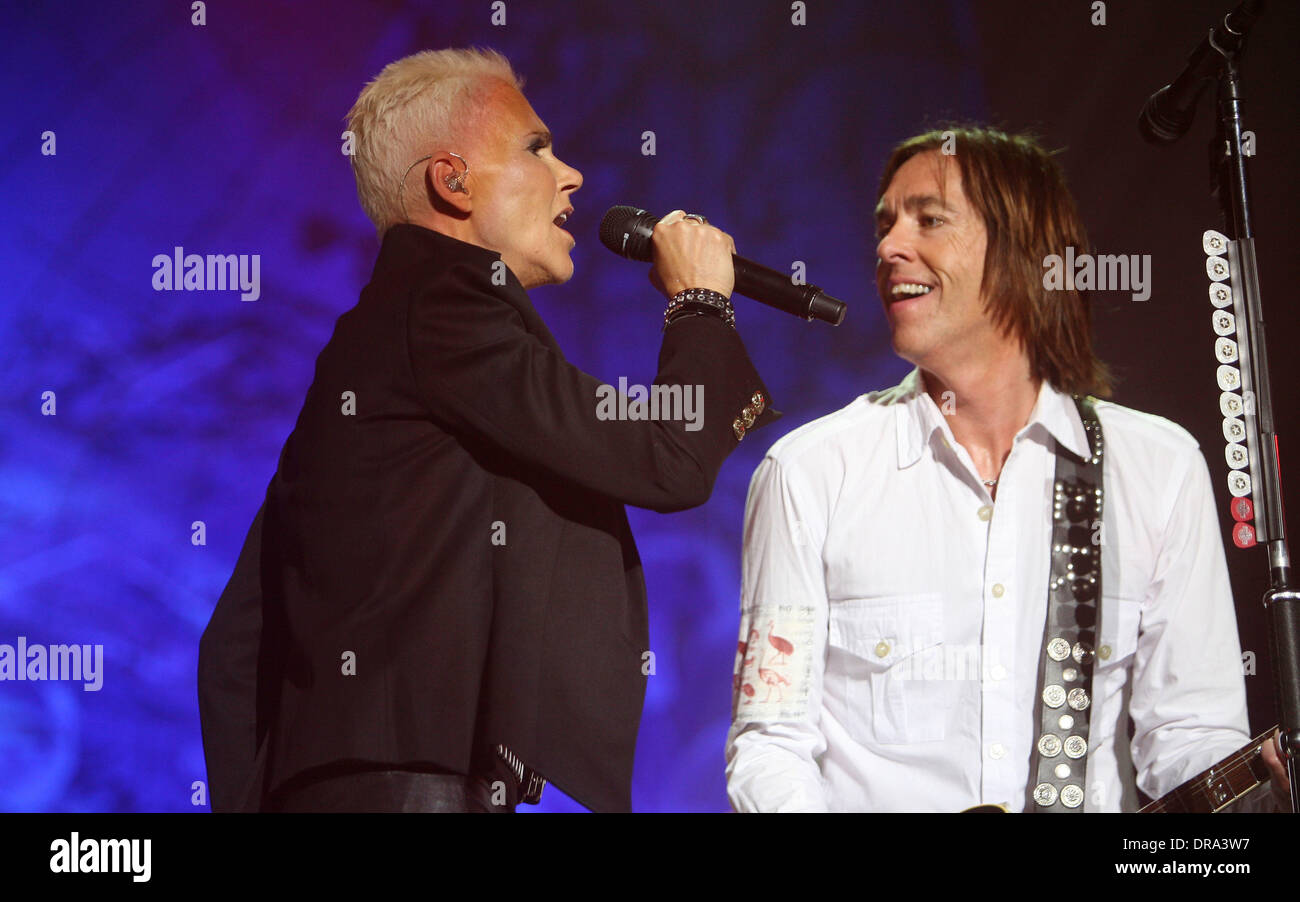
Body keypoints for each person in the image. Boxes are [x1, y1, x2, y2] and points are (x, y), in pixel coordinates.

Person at [197, 47, 777, 813]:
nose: (570, 175)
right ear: (453, 179)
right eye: (537, 148)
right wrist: (701, 302)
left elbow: (239, 640)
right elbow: (664, 456)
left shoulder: (388, 335)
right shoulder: (445, 306)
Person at [724, 126, 1287, 812]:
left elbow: (1188, 734)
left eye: (929, 219)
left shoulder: (1158, 469)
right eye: (886, 224)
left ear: (1023, 249)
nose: (888, 247)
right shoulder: (809, 471)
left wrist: (1252, 781)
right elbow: (770, 743)